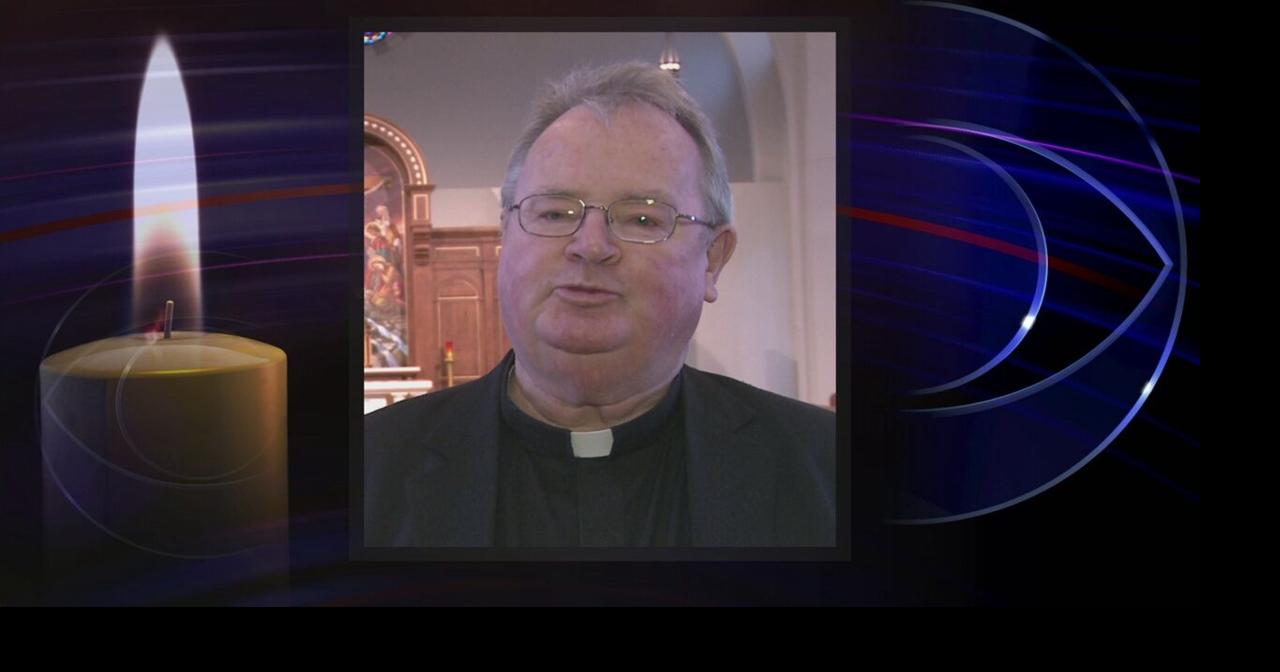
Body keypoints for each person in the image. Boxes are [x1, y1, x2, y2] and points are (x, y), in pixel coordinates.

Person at [365, 61, 834, 547]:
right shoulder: (365, 469)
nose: (590, 246)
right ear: (506, 235)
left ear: (712, 259)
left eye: (643, 219)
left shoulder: (829, 466)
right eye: (553, 212)